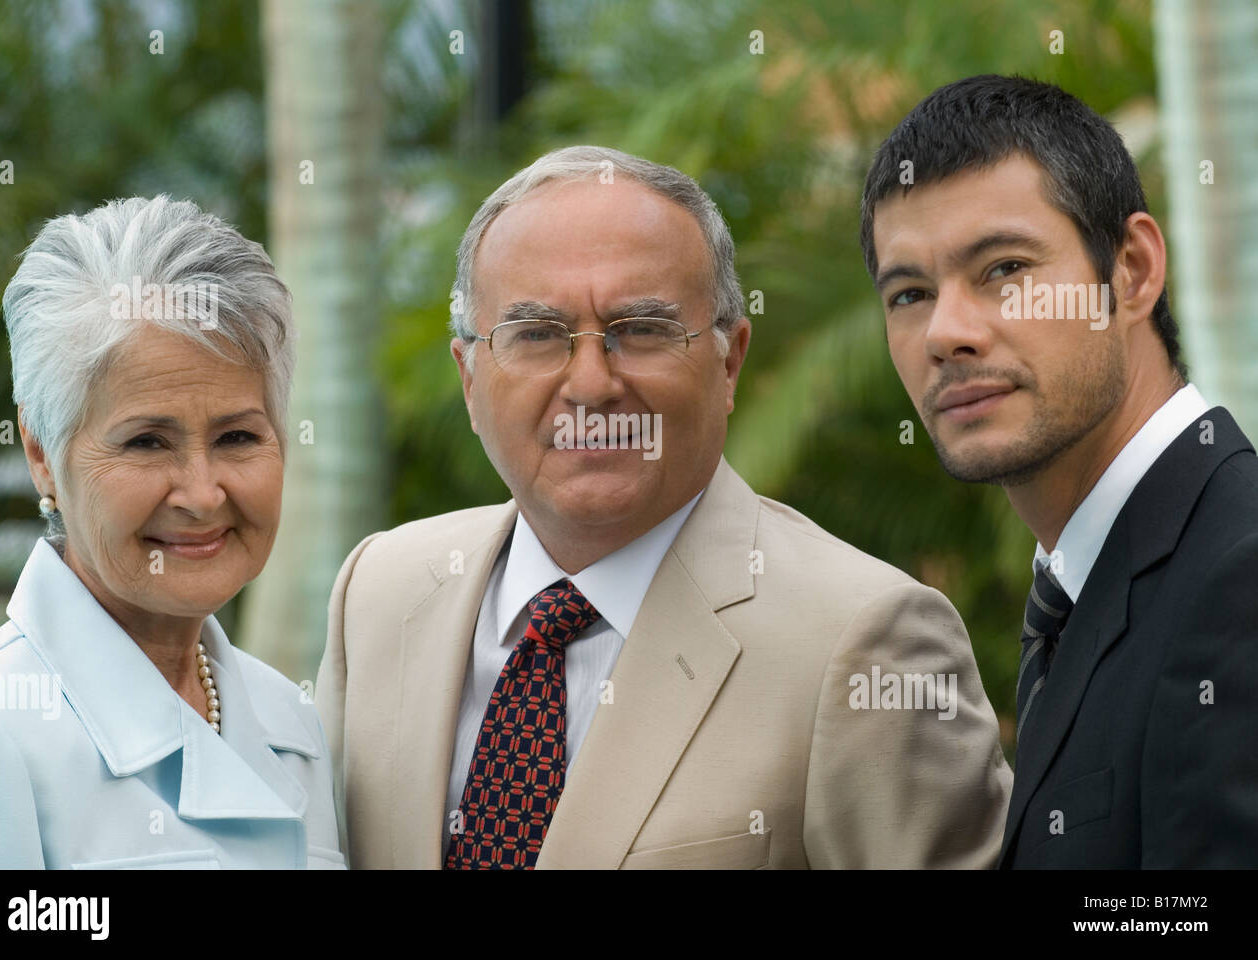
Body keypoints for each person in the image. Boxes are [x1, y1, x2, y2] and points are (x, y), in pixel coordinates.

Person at [316, 145, 1011, 869]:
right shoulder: (379, 591)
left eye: (641, 331)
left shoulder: (869, 637)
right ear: (468, 379)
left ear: (730, 360)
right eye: (538, 336)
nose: (590, 384)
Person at [862, 74, 1258, 867]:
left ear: (1134, 270)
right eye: (909, 292)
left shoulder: (1238, 575)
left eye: (1004, 269)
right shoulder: (1091, 585)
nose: (947, 331)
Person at [0, 196, 344, 869]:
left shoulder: (292, 722)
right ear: (40, 454)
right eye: (145, 442)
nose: (201, 493)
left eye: (237, 436)